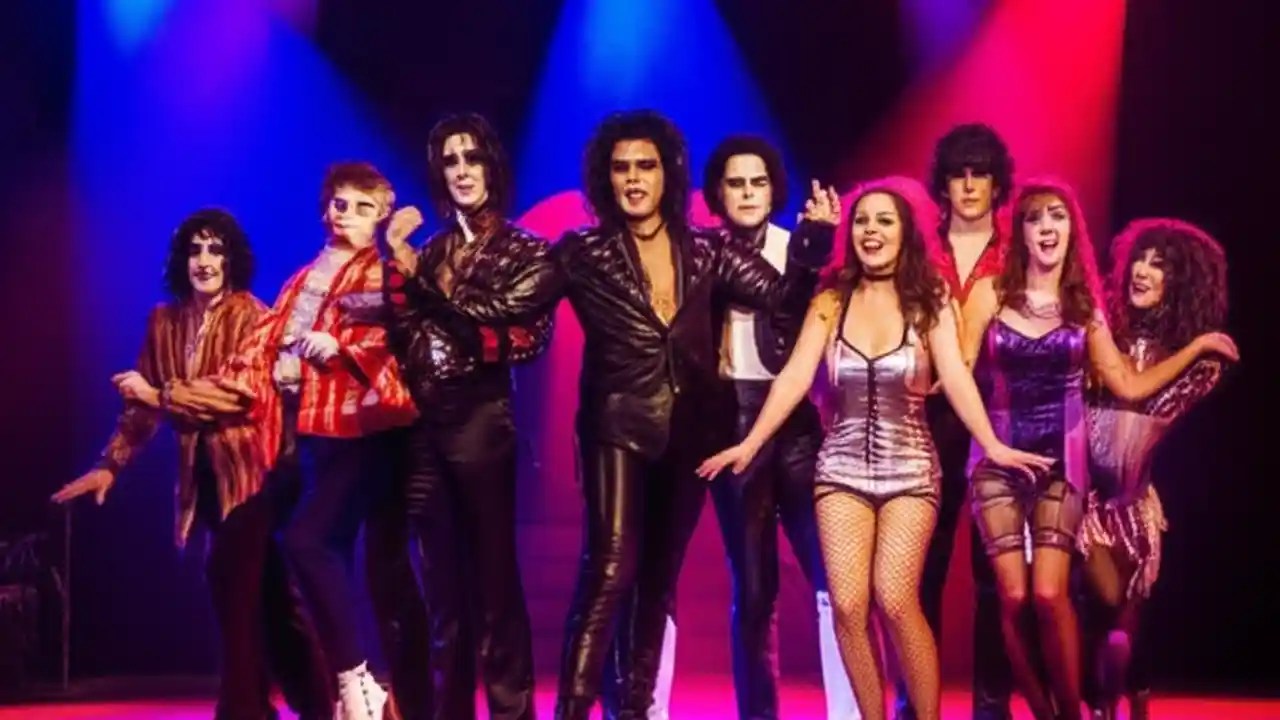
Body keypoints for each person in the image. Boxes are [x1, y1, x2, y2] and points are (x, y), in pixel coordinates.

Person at [699, 177, 1051, 720]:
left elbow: (956, 377)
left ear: (905, 232)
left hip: (910, 467)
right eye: (862, 220)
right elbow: (792, 377)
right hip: (839, 467)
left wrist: (994, 446)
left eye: (884, 220)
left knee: (893, 595)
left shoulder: (928, 299)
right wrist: (749, 444)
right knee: (846, 605)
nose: (871, 230)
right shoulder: (830, 302)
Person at [550, 110, 836, 719]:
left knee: (664, 579)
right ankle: (588, 708)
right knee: (618, 572)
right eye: (621, 167)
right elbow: (527, 302)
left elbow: (787, 307)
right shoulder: (590, 250)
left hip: (731, 431)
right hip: (647, 426)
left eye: (645, 166)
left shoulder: (712, 249)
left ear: (668, 174)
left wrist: (811, 245)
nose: (633, 179)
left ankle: (637, 707)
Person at [960, 179, 1239, 719]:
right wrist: (987, 442)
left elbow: (1130, 386)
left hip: (1062, 469)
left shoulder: (1083, 304)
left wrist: (1198, 346)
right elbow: (957, 369)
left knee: (1049, 596)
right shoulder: (989, 292)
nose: (1046, 227)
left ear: (1072, 229)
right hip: (996, 458)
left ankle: (1078, 709)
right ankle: (1047, 710)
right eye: (1034, 217)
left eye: (1057, 216)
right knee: (1013, 599)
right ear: (1019, 231)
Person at [52, 209, 333, 720]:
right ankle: (319, 703)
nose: (204, 261)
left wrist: (160, 394)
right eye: (195, 250)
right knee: (267, 596)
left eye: (215, 250)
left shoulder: (253, 316)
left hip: (254, 475)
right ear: (182, 260)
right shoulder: (164, 322)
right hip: (200, 480)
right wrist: (110, 466)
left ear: (232, 259)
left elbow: (238, 394)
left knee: (233, 590)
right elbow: (140, 409)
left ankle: (243, 709)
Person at [223, 162, 420, 720]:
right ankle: (355, 686)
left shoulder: (379, 273)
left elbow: (395, 338)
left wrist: (341, 351)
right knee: (304, 547)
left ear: (381, 215)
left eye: (362, 207)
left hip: (361, 428)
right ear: (323, 210)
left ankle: (359, 682)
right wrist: (187, 392)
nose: (347, 216)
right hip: (305, 432)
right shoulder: (302, 278)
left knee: (312, 540)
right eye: (339, 204)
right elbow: (258, 347)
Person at [379, 112, 555, 720]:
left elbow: (523, 339)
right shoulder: (427, 252)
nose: (461, 171)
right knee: (442, 592)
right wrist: (398, 268)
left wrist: (419, 284)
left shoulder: (525, 249)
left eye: (471, 158)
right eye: (450, 161)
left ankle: (511, 713)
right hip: (424, 427)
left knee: (494, 587)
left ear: (492, 166)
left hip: (483, 423)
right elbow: (403, 336)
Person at [700, 134, 856, 720]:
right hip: (728, 418)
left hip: (793, 421)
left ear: (774, 189)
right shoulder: (703, 252)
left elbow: (802, 317)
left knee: (834, 577)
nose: (747, 193)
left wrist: (816, 247)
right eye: (736, 182)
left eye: (758, 182)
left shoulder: (802, 250)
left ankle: (851, 708)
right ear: (718, 191)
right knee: (755, 588)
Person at [1080, 219, 1232, 720]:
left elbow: (1146, 403)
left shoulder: (1200, 366)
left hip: (1132, 506)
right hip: (1086, 503)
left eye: (1159, 264)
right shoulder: (1099, 331)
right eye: (1138, 260)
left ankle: (1129, 698)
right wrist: (1194, 348)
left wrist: (1193, 351)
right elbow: (1127, 387)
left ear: (1181, 280)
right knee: (1103, 606)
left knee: (1123, 630)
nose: (1142, 271)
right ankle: (1109, 697)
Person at [900, 123, 1015, 720]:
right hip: (929, 416)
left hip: (1007, 414)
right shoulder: (919, 246)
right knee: (925, 563)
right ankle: (917, 698)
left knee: (995, 570)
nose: (969, 185)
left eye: (980, 173)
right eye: (958, 173)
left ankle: (991, 704)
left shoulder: (1021, 246)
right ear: (943, 182)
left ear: (998, 183)